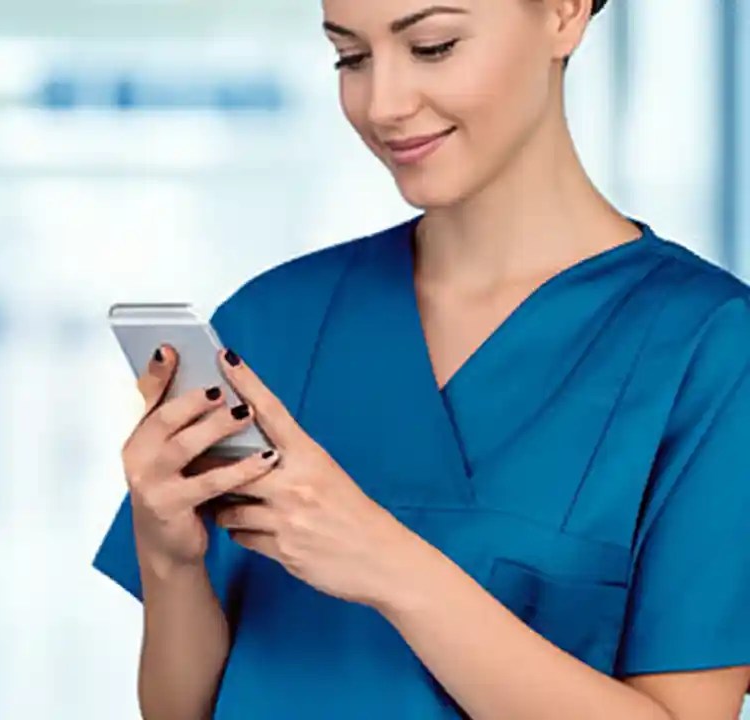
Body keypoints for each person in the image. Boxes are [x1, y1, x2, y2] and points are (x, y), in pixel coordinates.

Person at [91, 0, 750, 717]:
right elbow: (180, 710)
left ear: (564, 14)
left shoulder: (707, 347)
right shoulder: (270, 323)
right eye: (351, 57)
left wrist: (386, 563)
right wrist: (170, 560)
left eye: (433, 46)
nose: (385, 104)